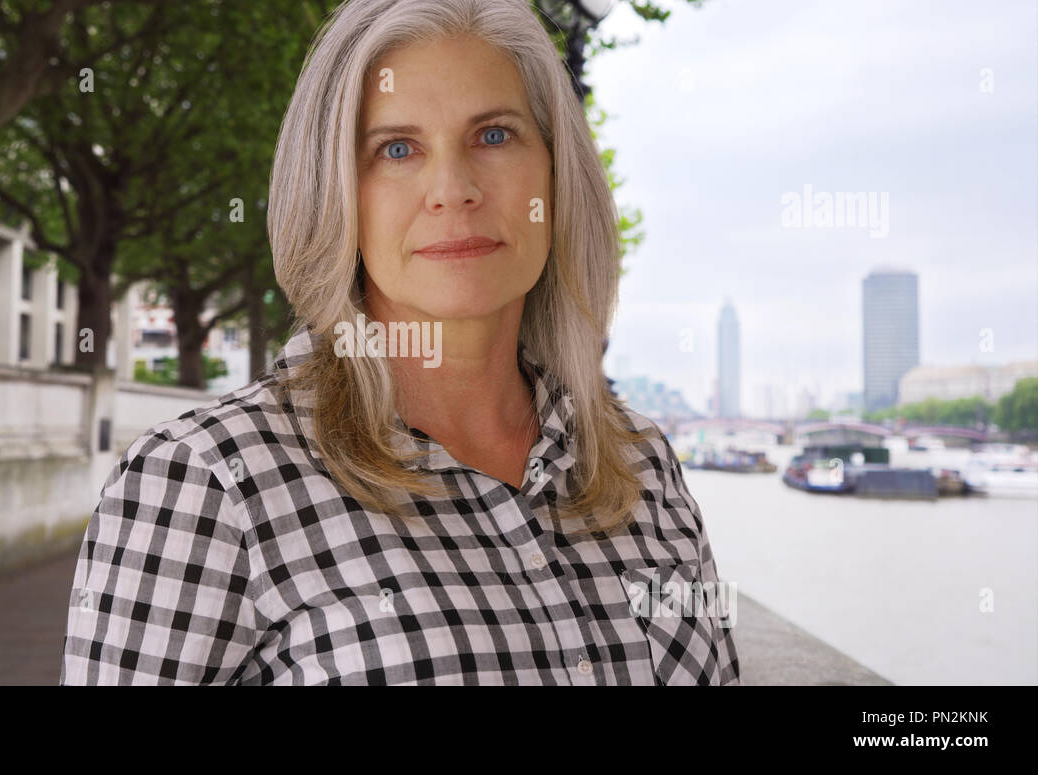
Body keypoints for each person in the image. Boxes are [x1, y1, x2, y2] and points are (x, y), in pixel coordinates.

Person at [60, 0, 739, 686]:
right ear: (335, 195)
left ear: (558, 174)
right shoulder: (203, 484)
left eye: (495, 135)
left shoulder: (644, 467)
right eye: (397, 149)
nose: (453, 189)